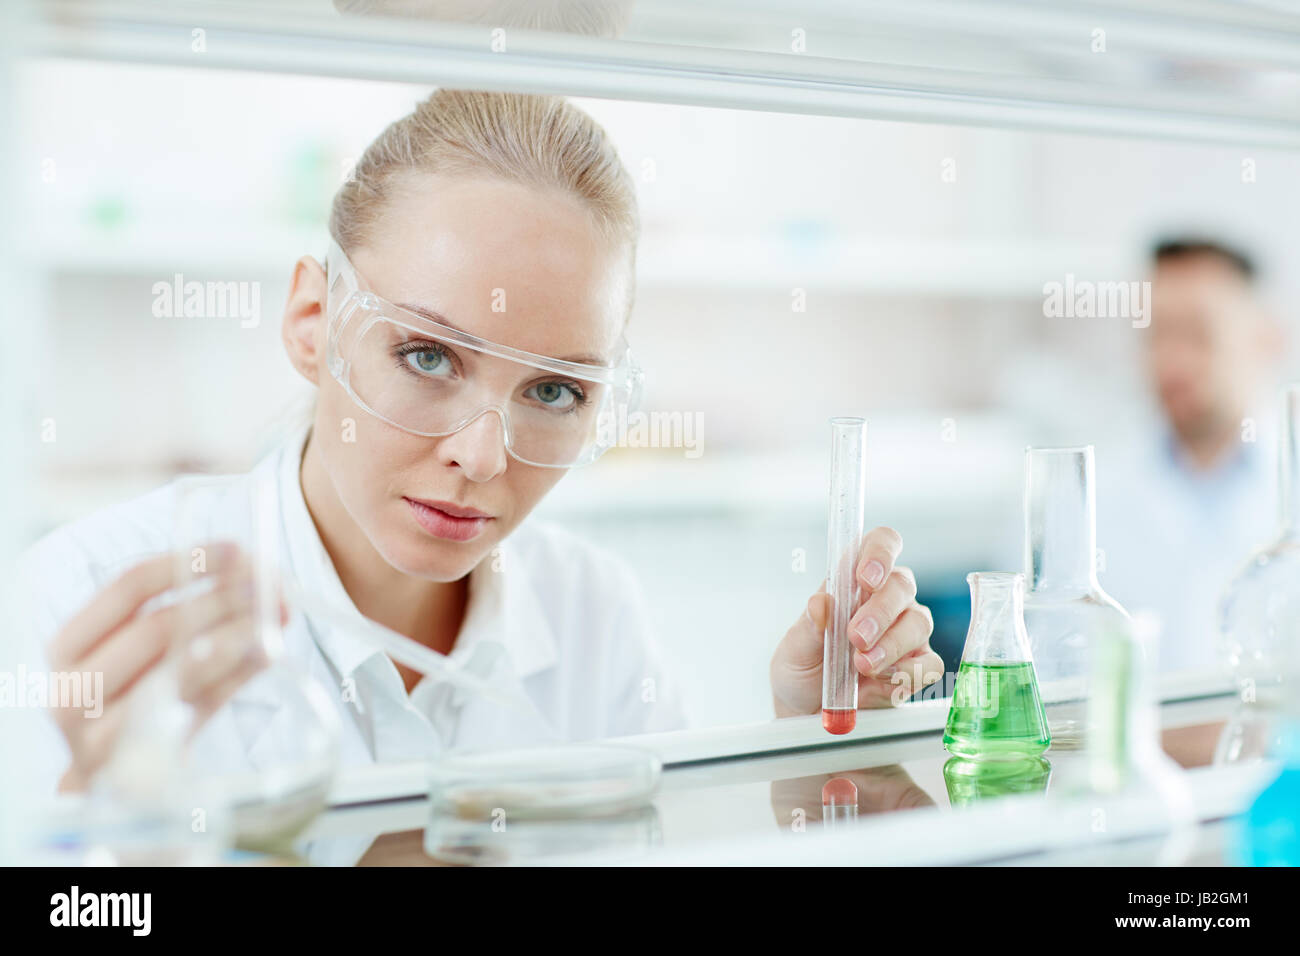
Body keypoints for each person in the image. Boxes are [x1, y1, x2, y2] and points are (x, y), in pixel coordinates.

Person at [19, 90, 942, 794]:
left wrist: (798, 759)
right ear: (312, 320)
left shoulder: (594, 617)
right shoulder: (77, 605)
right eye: (427, 355)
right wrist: (110, 853)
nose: (483, 456)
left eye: (554, 389)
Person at [1098, 237, 1285, 673]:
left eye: (1199, 334)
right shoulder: (1092, 499)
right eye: (1157, 334)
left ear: (1268, 339)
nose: (1173, 361)